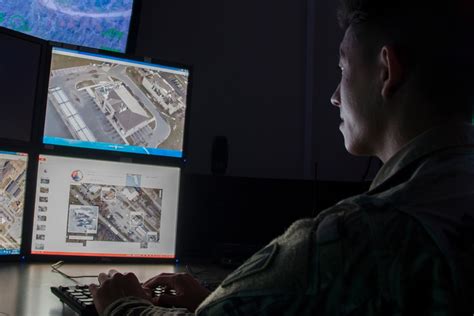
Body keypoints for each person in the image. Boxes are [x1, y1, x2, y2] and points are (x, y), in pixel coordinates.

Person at [90, 0, 474, 314]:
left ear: (387, 72)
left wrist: (122, 303)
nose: (334, 96)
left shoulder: (350, 238)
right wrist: (225, 299)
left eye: (342, 68)